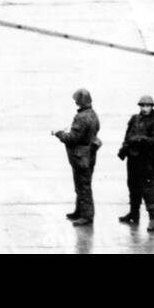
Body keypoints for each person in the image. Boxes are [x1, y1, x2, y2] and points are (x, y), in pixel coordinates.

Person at [52, 88, 100, 226]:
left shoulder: (81, 117)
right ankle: (79, 211)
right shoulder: (93, 114)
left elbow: (72, 138)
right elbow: (95, 129)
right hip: (89, 153)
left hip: (80, 156)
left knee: (83, 186)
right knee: (82, 184)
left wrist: (59, 134)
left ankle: (86, 215)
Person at [117, 95, 154, 232]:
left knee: (149, 190)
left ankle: (152, 219)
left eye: (147, 106)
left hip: (147, 160)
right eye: (142, 106)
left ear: (152, 107)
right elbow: (127, 135)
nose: (144, 108)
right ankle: (134, 214)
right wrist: (124, 148)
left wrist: (139, 139)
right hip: (133, 159)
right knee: (133, 187)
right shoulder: (134, 119)